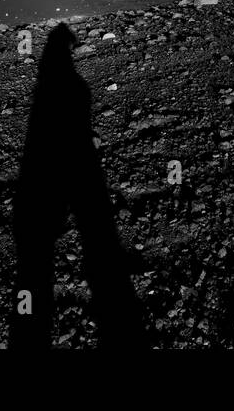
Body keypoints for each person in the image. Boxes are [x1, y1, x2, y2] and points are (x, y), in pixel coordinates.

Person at [11, 23, 146, 348]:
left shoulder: (52, 91)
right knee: (98, 243)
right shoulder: (75, 88)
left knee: (35, 266)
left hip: (49, 181)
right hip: (79, 173)